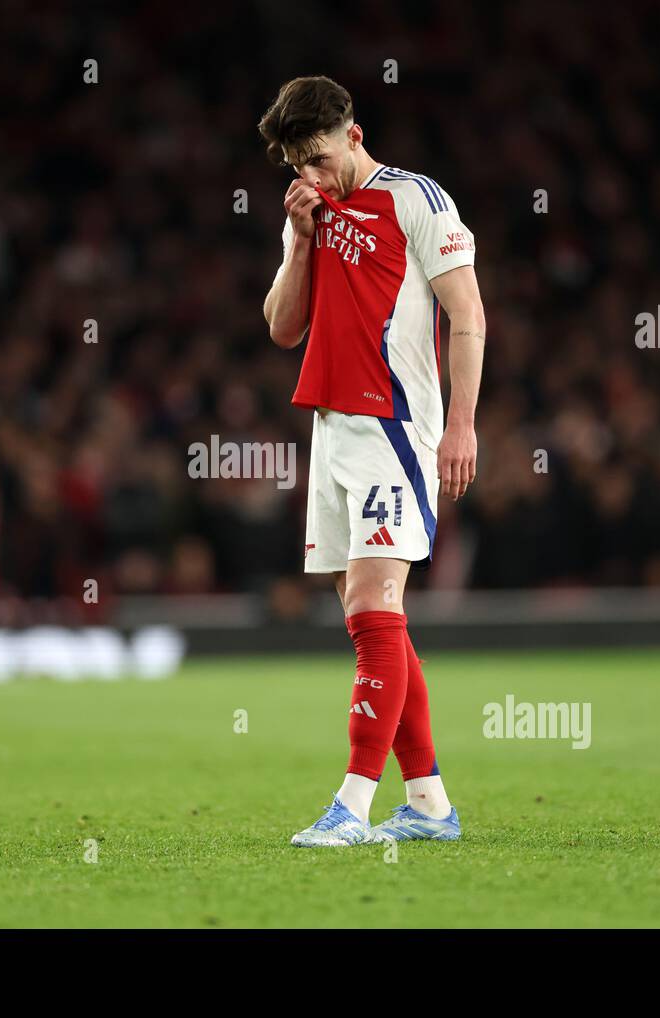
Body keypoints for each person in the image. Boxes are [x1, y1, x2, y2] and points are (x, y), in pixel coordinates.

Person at [259, 76, 486, 845]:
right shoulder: (310, 211)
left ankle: (352, 807)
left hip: (395, 428)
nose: (310, 176)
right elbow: (282, 329)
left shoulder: (417, 200)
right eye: (297, 164)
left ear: (354, 135)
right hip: (331, 432)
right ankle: (429, 806)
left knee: (374, 607)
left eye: (319, 158)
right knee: (369, 615)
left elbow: (469, 315)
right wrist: (297, 240)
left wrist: (462, 426)